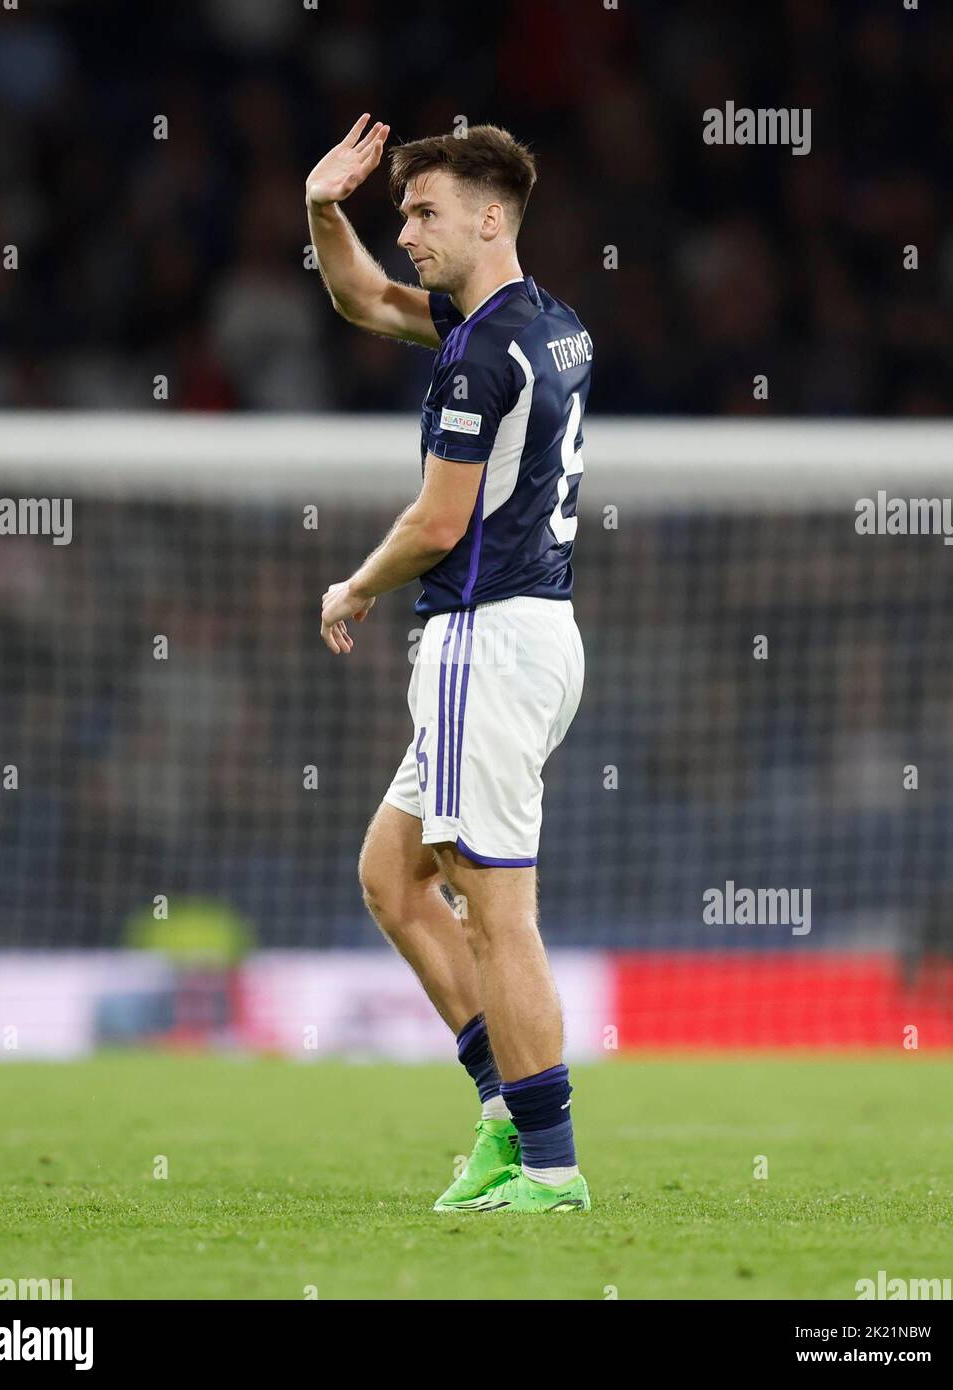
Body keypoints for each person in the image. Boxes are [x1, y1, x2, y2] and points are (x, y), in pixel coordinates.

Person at [307, 115, 592, 1211]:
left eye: (423, 213)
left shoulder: (480, 357)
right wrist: (322, 210)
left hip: (488, 635)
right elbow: (363, 300)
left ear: (488, 216)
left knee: (497, 910)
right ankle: (500, 1114)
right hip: (534, 637)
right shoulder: (548, 324)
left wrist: (354, 585)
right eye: (400, 213)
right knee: (393, 877)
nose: (408, 232)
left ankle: (550, 1167)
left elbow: (436, 523)